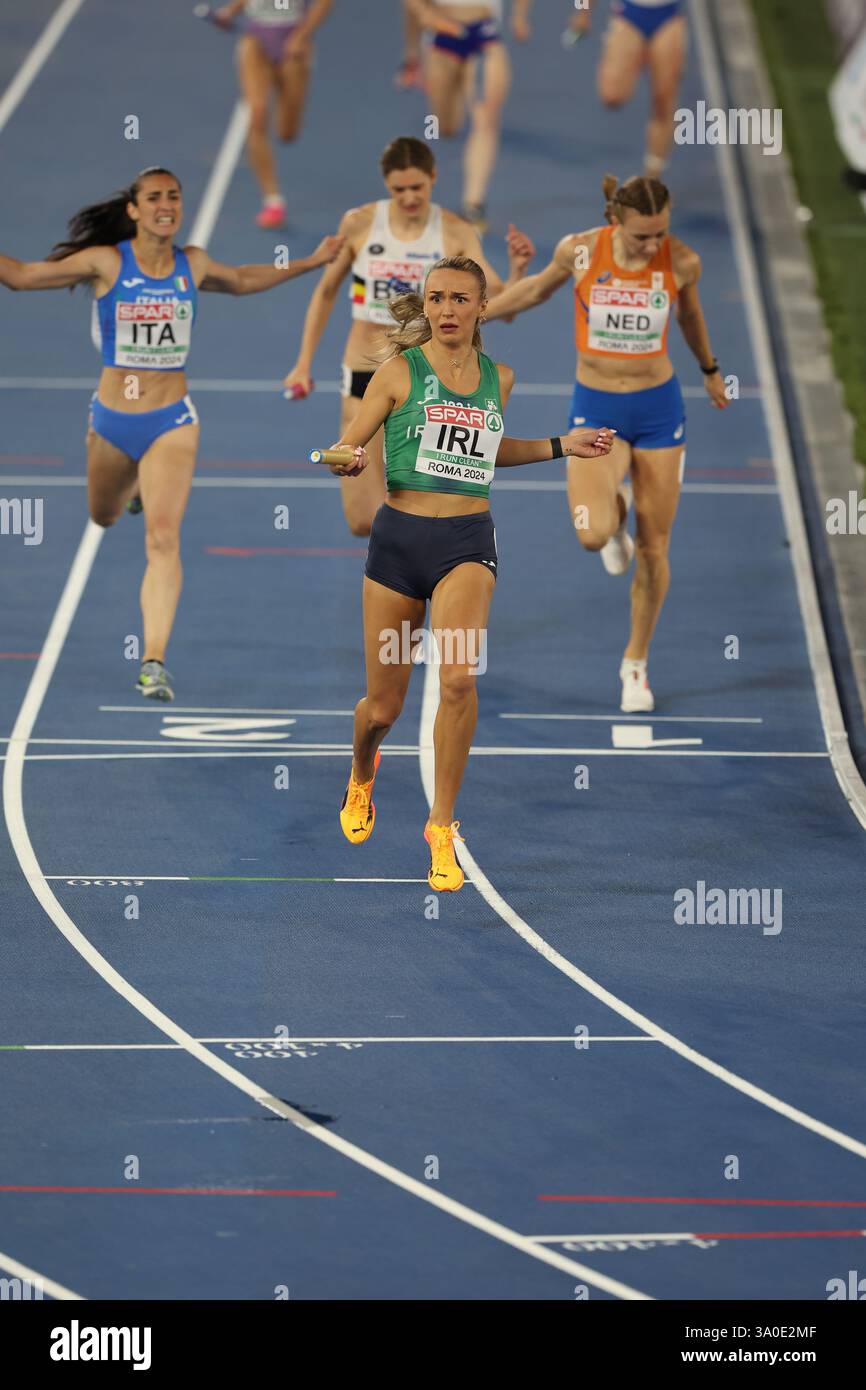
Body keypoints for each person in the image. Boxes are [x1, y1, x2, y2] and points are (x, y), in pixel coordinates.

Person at [322, 257, 614, 891]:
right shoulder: (397, 372)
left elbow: (488, 451)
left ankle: (442, 826)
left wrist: (563, 445)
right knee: (383, 708)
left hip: (465, 543)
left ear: (483, 308)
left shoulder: (499, 378)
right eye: (435, 299)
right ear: (424, 308)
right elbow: (353, 441)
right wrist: (345, 461)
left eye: (460, 299)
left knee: (457, 678)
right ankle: (362, 771)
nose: (446, 309)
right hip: (398, 544)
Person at [0, 167, 342, 701]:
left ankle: (153, 659)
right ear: (134, 210)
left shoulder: (193, 262)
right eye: (154, 197)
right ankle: (129, 491)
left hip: (171, 421)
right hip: (112, 420)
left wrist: (311, 262)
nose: (167, 204)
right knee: (103, 514)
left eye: (174, 196)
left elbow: (245, 279)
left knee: (163, 538)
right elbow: (19, 276)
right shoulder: (105, 262)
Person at [485, 174, 728, 712]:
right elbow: (534, 290)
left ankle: (635, 663)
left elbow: (689, 314)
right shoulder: (580, 252)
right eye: (643, 235)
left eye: (660, 232)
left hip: (659, 410)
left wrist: (710, 370)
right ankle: (613, 522)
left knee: (655, 546)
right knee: (592, 534)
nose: (652, 244)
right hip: (597, 407)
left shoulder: (680, 261)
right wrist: (476, 315)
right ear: (614, 221)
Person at [283, 135, 534, 537]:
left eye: (417, 187)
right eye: (399, 189)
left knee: (418, 506)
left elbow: (499, 304)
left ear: (434, 178)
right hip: (363, 376)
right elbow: (326, 291)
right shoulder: (360, 223)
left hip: (424, 383)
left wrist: (519, 272)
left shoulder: (454, 231)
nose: (409, 197)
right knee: (363, 520)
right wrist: (302, 363)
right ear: (386, 185)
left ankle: (411, 578)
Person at [405, 1, 531, 229]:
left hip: (484, 35)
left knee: (485, 120)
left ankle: (473, 205)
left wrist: (520, 16)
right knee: (446, 126)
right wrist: (423, 14)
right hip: (442, 35)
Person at [211, 0, 334, 227]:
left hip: (293, 39)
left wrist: (302, 35)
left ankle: (281, 88)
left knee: (287, 132)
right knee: (257, 115)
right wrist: (229, 11)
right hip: (255, 38)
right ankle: (272, 200)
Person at [564, 0, 687, 178]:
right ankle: (634, 55)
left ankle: (652, 175)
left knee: (664, 100)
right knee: (612, 95)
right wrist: (582, 12)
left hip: (668, 17)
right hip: (629, 14)